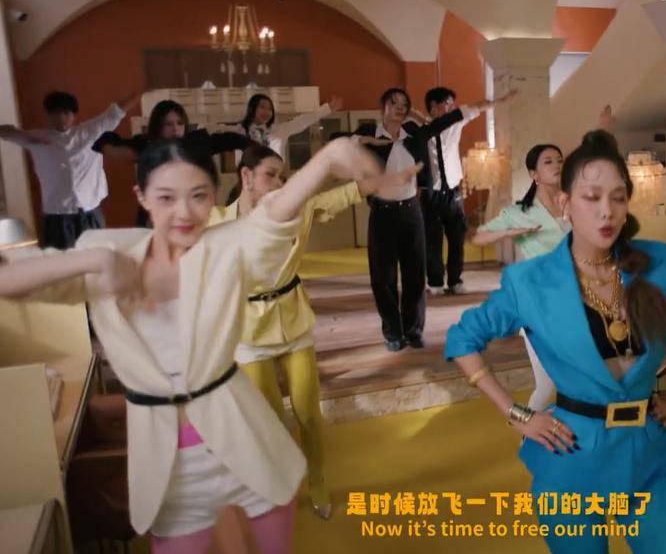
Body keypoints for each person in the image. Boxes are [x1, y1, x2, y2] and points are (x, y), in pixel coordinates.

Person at [0, 136, 378, 553]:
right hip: (170, 473)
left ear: (214, 196)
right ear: (141, 196)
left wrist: (329, 157)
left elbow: (274, 215)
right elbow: (10, 280)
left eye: (198, 196)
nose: (183, 212)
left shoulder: (224, 246)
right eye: (166, 197)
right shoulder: (106, 252)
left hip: (247, 452)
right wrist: (96, 262)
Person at [445, 130, 666, 553]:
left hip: (644, 455)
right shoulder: (531, 282)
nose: (607, 210)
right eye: (591, 197)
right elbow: (462, 340)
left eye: (618, 197)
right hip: (571, 454)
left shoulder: (658, 264)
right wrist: (517, 414)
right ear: (565, 203)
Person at [208, 143, 419, 519]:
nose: (279, 184)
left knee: (308, 412)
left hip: (293, 321)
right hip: (248, 330)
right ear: (246, 176)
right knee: (270, 416)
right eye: (270, 175)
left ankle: (318, 480)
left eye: (283, 177)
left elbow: (345, 194)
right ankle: (280, 481)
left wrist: (388, 180)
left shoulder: (298, 208)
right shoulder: (217, 221)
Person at [354, 87, 478, 352]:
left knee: (414, 275)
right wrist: (363, 140)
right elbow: (337, 140)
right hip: (382, 212)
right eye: (394, 103)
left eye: (404, 104)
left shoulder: (413, 133)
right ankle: (392, 332)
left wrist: (477, 107)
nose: (400, 107)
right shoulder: (369, 132)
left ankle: (413, 330)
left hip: (411, 210)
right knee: (384, 278)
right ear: (383, 107)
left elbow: (443, 122)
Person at [471, 143, 567, 410]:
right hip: (540, 304)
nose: (557, 165)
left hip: (580, 301)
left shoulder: (574, 203)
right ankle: (527, 428)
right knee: (547, 385)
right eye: (548, 161)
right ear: (534, 174)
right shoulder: (520, 212)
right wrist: (509, 232)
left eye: (559, 160)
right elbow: (478, 237)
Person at [0, 90, 140, 248]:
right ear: (47, 115)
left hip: (90, 212)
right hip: (57, 217)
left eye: (66, 113)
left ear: (74, 114)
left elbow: (118, 110)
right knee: (60, 260)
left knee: (96, 257)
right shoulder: (37, 138)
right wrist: (22, 134)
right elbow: (5, 132)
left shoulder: (91, 131)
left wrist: (142, 91)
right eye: (55, 113)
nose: (61, 118)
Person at [418, 86, 517, 295]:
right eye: (447, 103)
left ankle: (455, 281)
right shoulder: (420, 129)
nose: (451, 107)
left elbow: (477, 106)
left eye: (452, 104)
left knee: (457, 239)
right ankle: (435, 282)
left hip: (453, 192)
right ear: (434, 106)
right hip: (430, 193)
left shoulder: (456, 121)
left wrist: (500, 101)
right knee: (432, 241)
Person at [93, 100, 253, 227]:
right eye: (168, 124)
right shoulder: (146, 146)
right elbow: (106, 143)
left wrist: (253, 152)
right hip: (156, 216)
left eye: (179, 123)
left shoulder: (194, 143)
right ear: (158, 127)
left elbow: (230, 140)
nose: (175, 128)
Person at [212, 93, 342, 158]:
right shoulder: (238, 131)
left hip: (274, 183)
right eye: (262, 107)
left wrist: (327, 108)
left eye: (270, 109)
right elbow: (214, 130)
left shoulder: (279, 130)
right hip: (247, 185)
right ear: (252, 108)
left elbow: (302, 121)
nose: (266, 112)